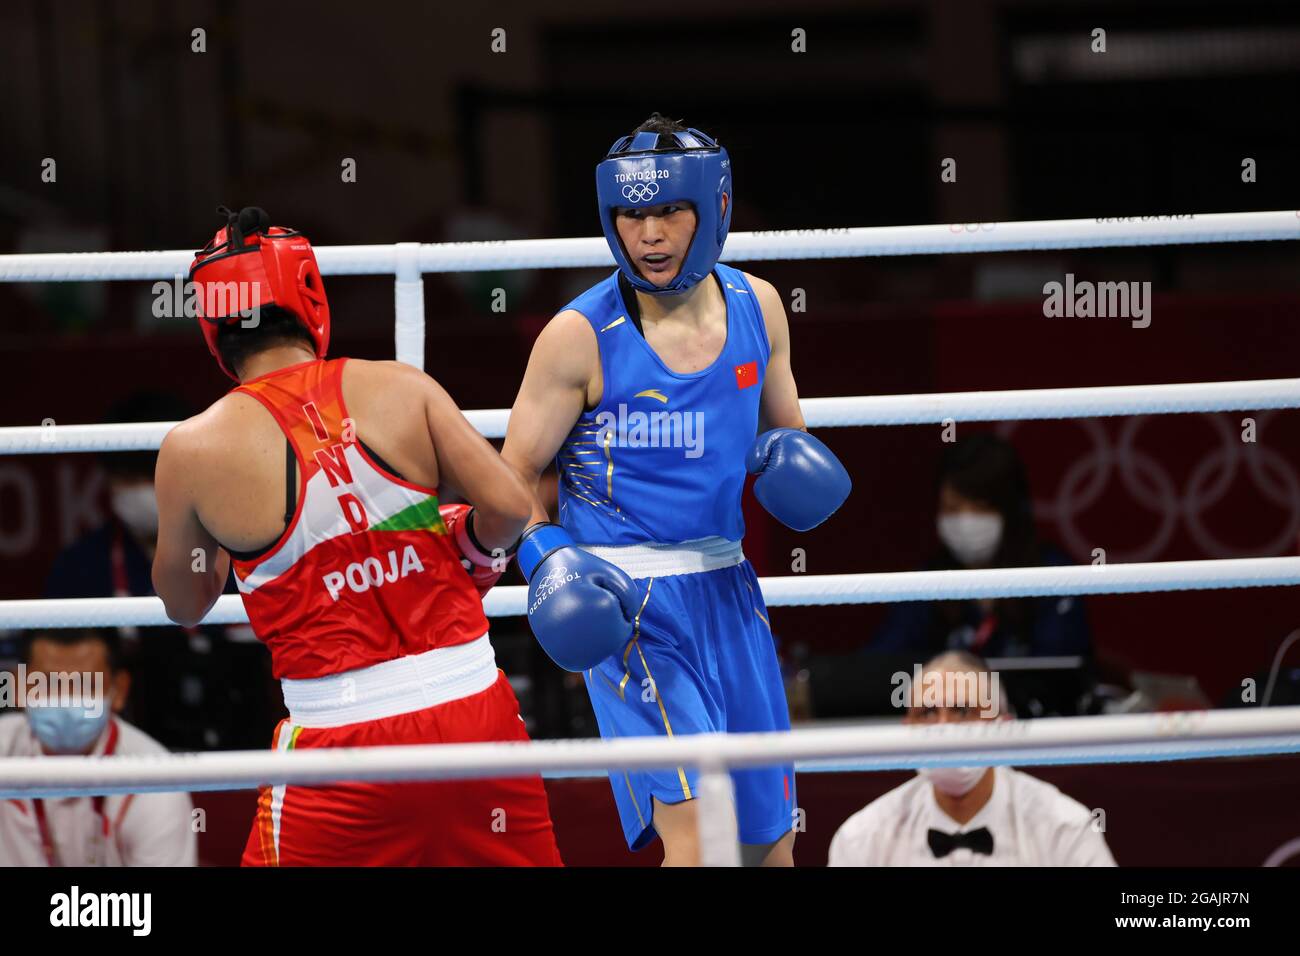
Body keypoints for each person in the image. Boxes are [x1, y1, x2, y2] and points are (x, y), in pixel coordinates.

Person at [150, 206, 561, 866]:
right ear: (308, 292)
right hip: (476, 714)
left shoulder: (192, 449)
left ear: (213, 324)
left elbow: (185, 603)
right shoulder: (400, 386)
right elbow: (511, 507)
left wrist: (221, 527)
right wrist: (473, 549)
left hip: (339, 744)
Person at [500, 114, 851, 866]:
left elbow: (785, 439)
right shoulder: (578, 336)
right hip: (630, 609)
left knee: (769, 845)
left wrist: (792, 464)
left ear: (714, 209)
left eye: (667, 212)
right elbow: (514, 476)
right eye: (631, 214)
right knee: (695, 849)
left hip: (730, 591)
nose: (648, 235)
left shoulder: (759, 307)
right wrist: (546, 559)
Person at [44, 391, 277, 751]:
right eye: (127, 476)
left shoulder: (253, 543)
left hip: (257, 755)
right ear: (107, 481)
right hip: (134, 767)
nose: (141, 489)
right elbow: (54, 677)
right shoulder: (81, 567)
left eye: (150, 472)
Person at [827, 651, 1116, 867]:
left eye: (963, 711)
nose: (943, 729)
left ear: (1001, 725)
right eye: (927, 714)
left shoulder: (1063, 827)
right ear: (907, 730)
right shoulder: (863, 839)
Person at [873, 432, 1092, 660]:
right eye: (952, 508)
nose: (966, 520)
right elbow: (879, 667)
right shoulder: (925, 586)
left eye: (980, 508)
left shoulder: (1054, 579)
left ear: (1010, 510)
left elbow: (1064, 678)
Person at [0, 629, 197, 866]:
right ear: (20, 688)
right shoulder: (4, 746)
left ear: (119, 690)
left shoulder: (158, 782)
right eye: (50, 684)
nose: (66, 700)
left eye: (85, 686)